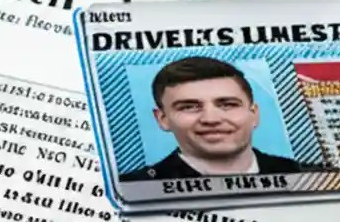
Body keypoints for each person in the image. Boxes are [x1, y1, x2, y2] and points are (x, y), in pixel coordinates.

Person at [119, 56, 300, 181]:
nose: (211, 119)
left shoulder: (309, 176)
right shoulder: (132, 186)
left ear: (254, 114)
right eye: (189, 107)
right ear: (162, 119)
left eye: (227, 104)